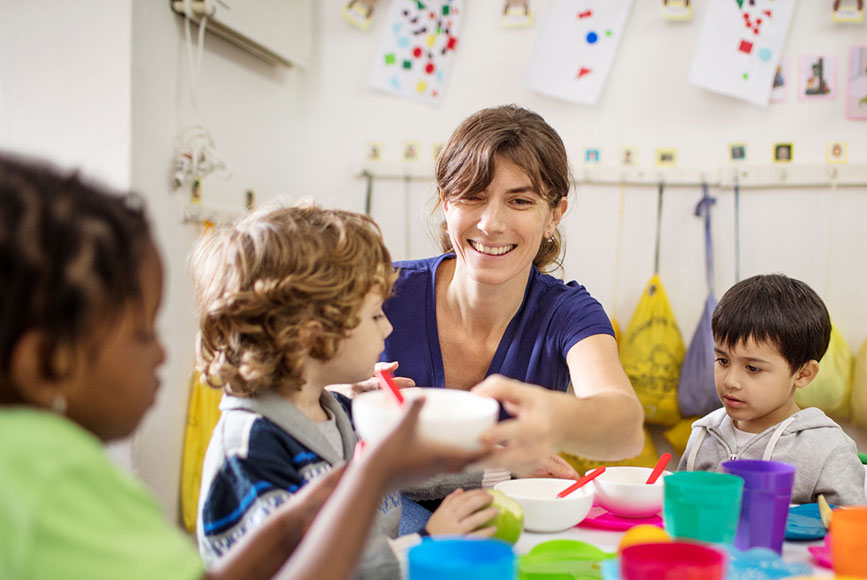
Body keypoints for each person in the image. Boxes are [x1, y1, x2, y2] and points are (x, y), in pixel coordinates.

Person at [0, 153, 483, 580]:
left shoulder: (335, 411)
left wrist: (487, 470)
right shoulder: (53, 478)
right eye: (142, 333)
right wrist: (422, 543)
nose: (166, 354)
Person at [352, 105, 643, 518]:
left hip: (499, 524)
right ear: (445, 203)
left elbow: (627, 429)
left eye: (520, 201)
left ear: (554, 215)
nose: (491, 223)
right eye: (473, 197)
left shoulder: (569, 313)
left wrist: (558, 418)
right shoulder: (381, 292)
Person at [193, 204, 498, 577]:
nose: (387, 329)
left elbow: (400, 470)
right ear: (310, 332)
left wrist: (502, 469)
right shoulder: (250, 452)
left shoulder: (334, 409)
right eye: (374, 315)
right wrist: (426, 542)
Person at [678, 274, 865, 506]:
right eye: (723, 361)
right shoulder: (703, 434)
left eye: (753, 368)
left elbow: (844, 530)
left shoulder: (828, 450)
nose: (731, 381)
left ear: (803, 374)